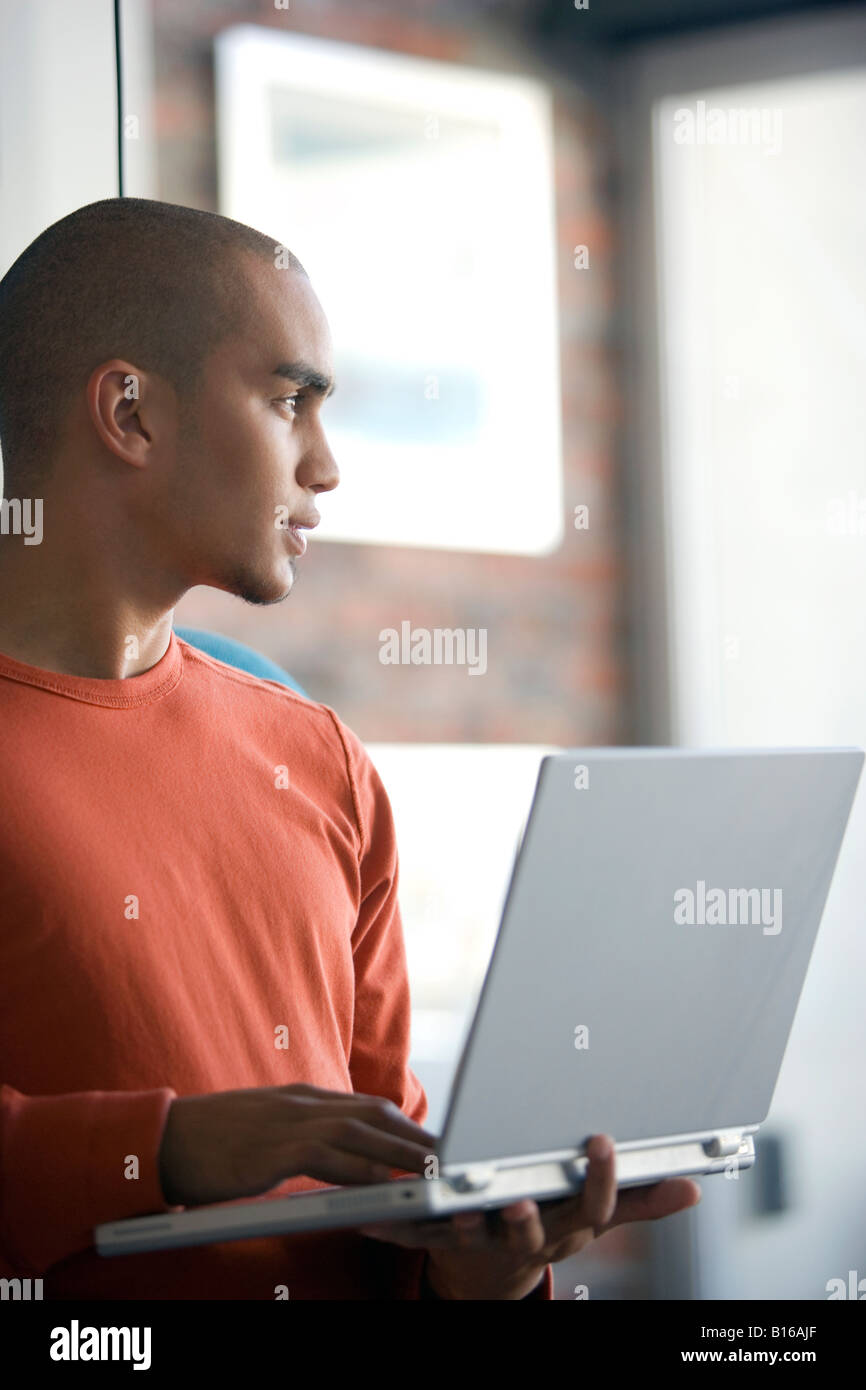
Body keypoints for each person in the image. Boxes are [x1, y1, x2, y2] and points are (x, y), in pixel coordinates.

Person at [0, 198, 700, 1300]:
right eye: (289, 403)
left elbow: (387, 1171)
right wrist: (170, 1147)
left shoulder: (315, 755)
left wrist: (486, 1269)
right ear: (128, 412)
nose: (324, 468)